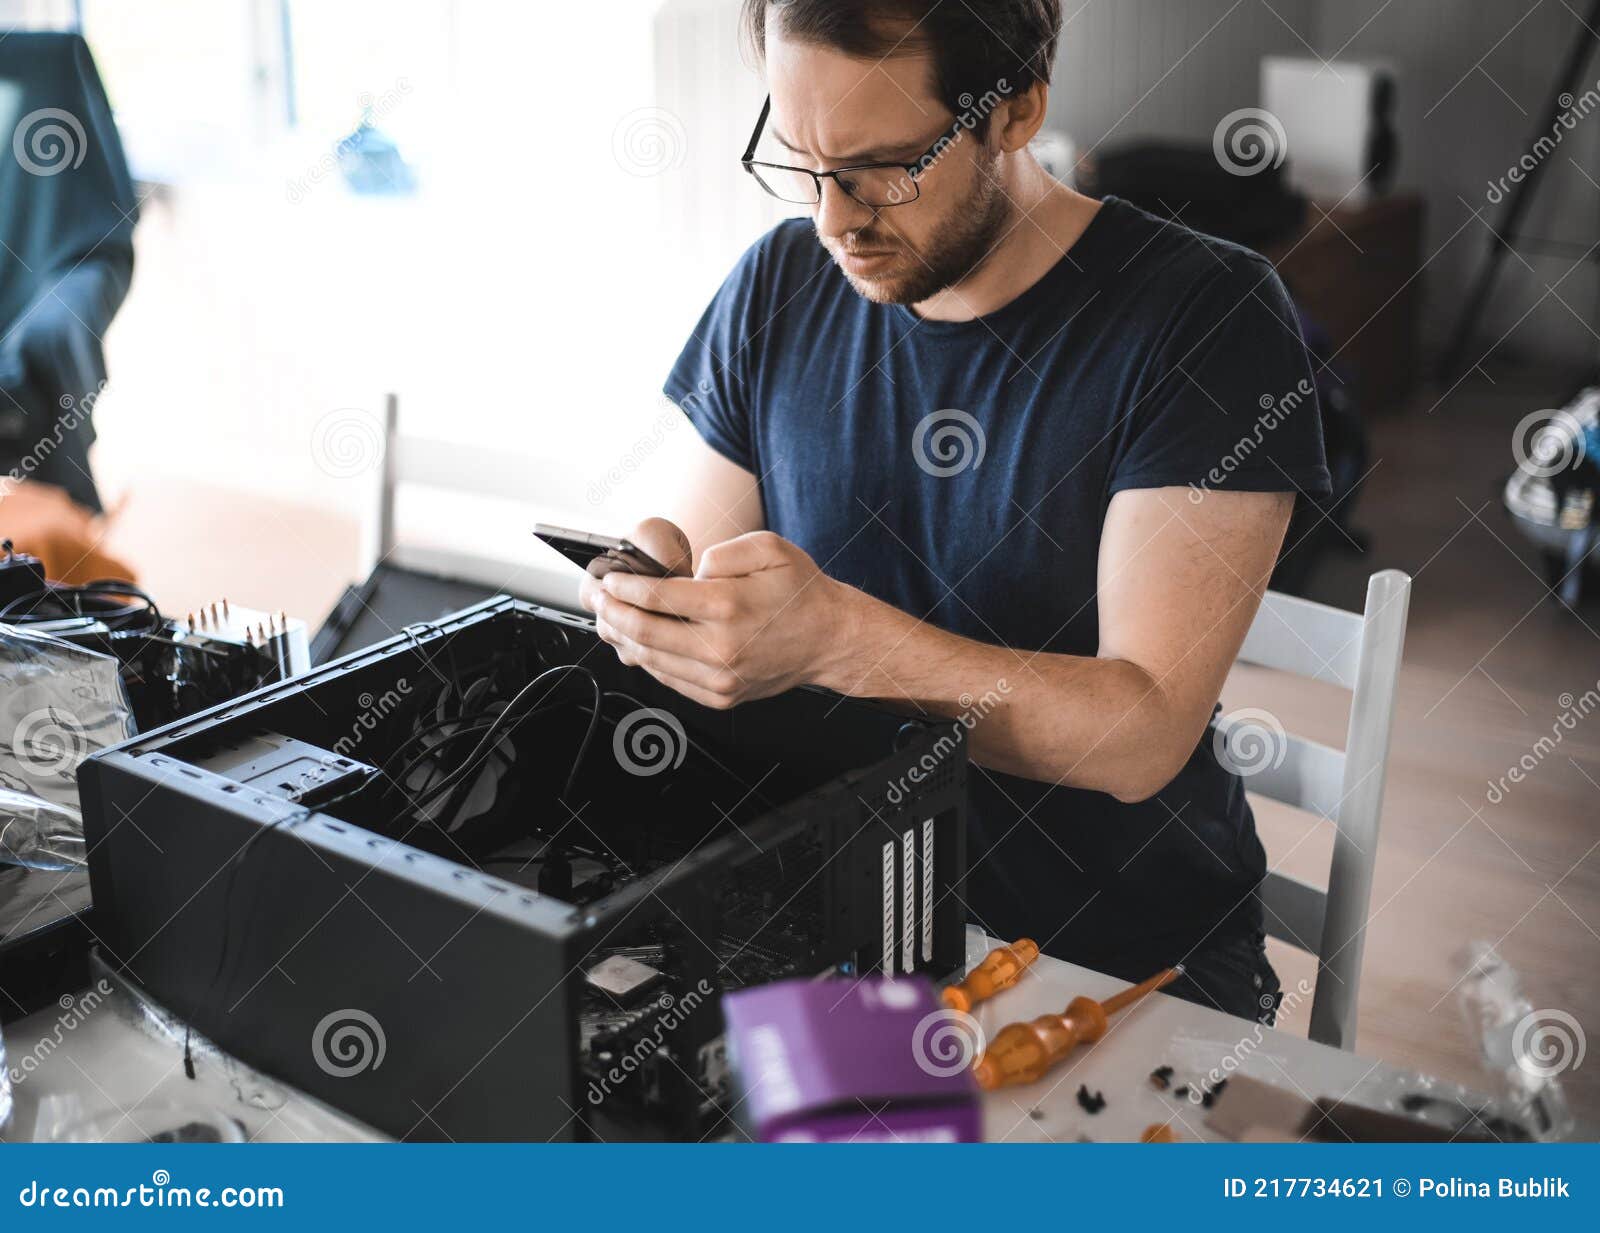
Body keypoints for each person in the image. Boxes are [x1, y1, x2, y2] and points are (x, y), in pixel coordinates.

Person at [579, 0, 1330, 1022]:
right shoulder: (778, 286)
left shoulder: (1205, 318)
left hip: (1113, 961)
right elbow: (712, 593)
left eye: (883, 166)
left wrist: (835, 640)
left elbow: (1141, 733)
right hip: (833, 928)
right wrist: (669, 613)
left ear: (1013, 111)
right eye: (800, 161)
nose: (833, 218)